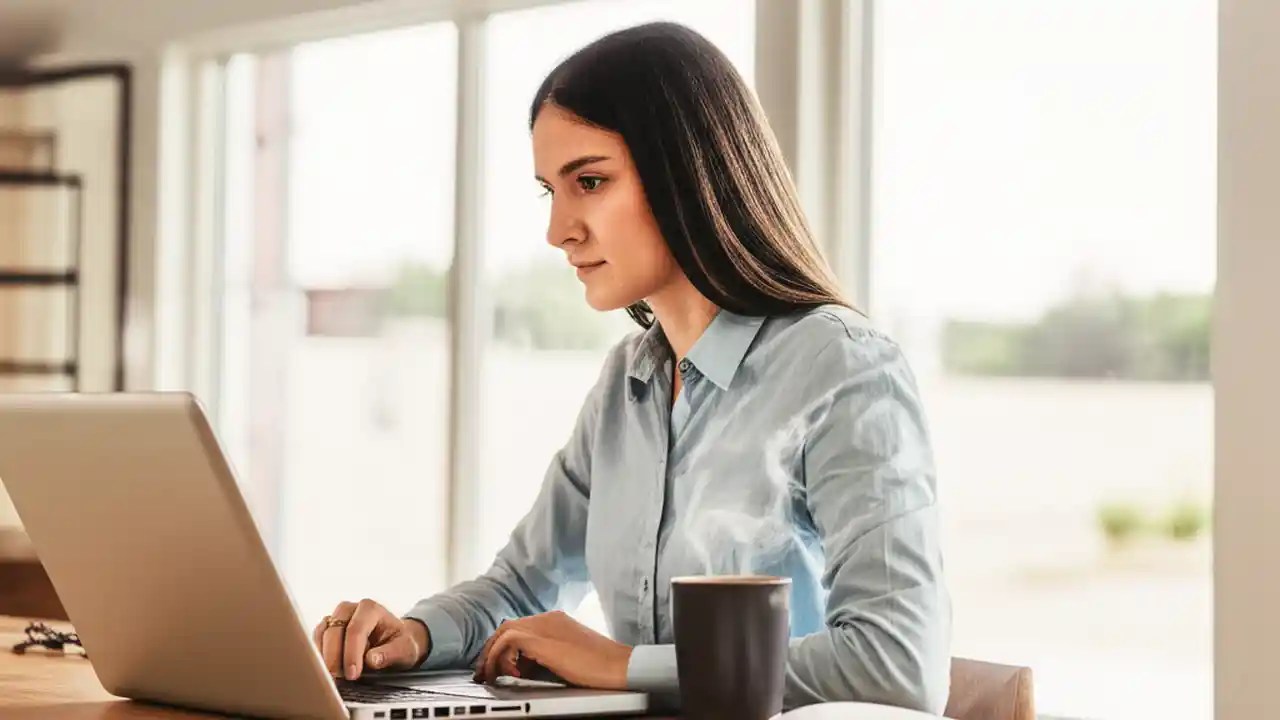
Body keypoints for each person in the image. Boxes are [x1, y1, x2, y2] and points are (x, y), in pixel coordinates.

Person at [312, 21, 950, 714]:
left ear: (688, 170)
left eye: (589, 181)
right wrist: (410, 635)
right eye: (549, 191)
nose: (559, 230)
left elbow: (896, 663)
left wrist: (627, 666)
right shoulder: (629, 382)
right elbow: (521, 588)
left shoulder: (841, 369)